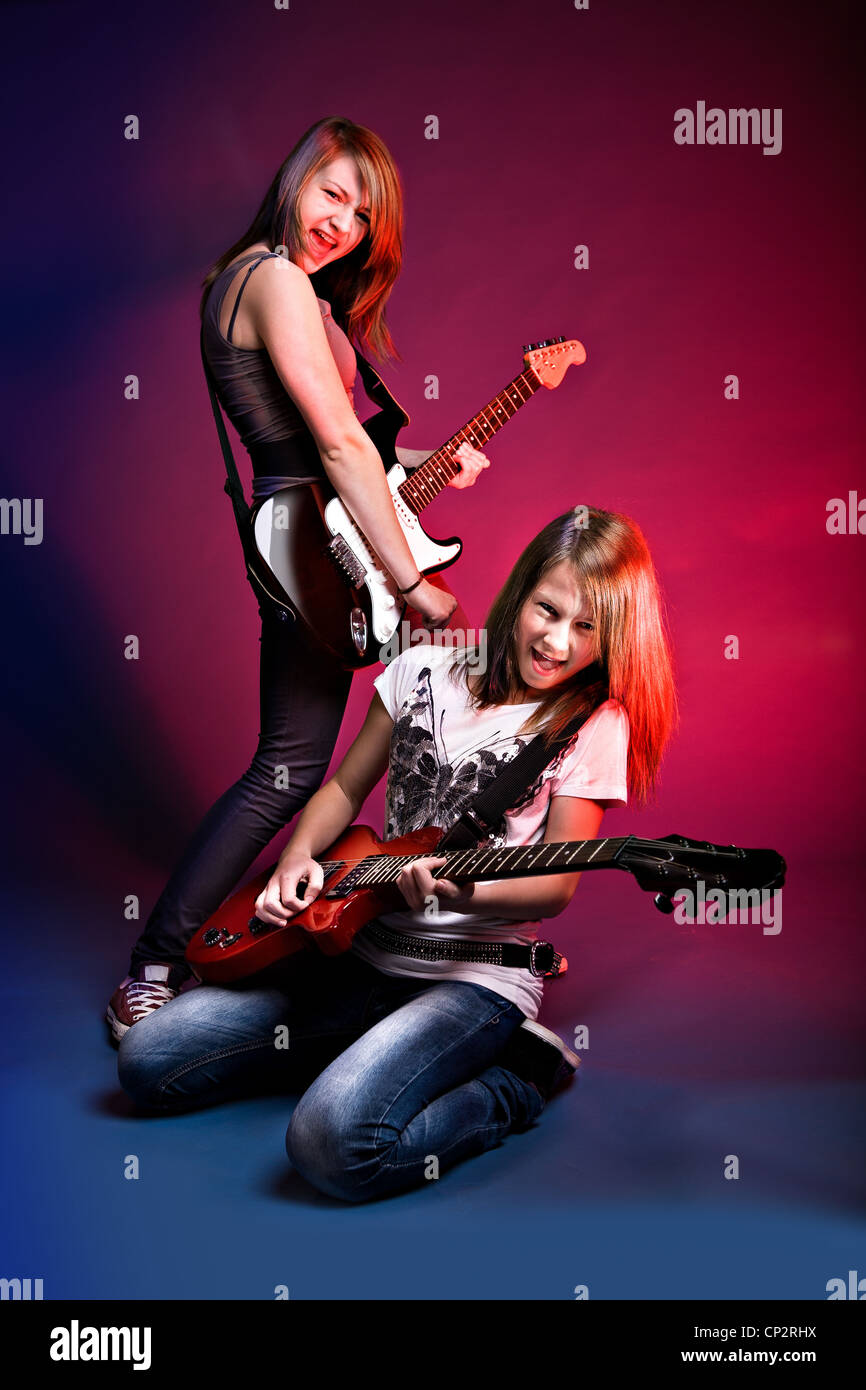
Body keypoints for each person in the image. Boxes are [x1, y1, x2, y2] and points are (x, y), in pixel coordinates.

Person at [117, 507, 677, 1203]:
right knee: (147, 1060)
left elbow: (555, 886)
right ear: (521, 591)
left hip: (472, 978)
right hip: (358, 950)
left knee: (329, 1145)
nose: (557, 641)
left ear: (613, 635)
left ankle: (517, 1079)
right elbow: (345, 789)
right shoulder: (421, 669)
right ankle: (367, 1054)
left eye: (587, 628)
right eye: (548, 609)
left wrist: (458, 889)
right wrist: (297, 856)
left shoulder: (592, 723)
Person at [106, 116, 492, 1042]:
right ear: (294, 179)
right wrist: (410, 580)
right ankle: (153, 966)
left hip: (313, 530)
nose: (342, 225)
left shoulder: (263, 282)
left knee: (291, 764)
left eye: (362, 218)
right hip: (313, 545)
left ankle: (194, 952)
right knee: (285, 767)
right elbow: (335, 444)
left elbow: (334, 448)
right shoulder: (274, 279)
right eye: (332, 194)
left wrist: (429, 461)